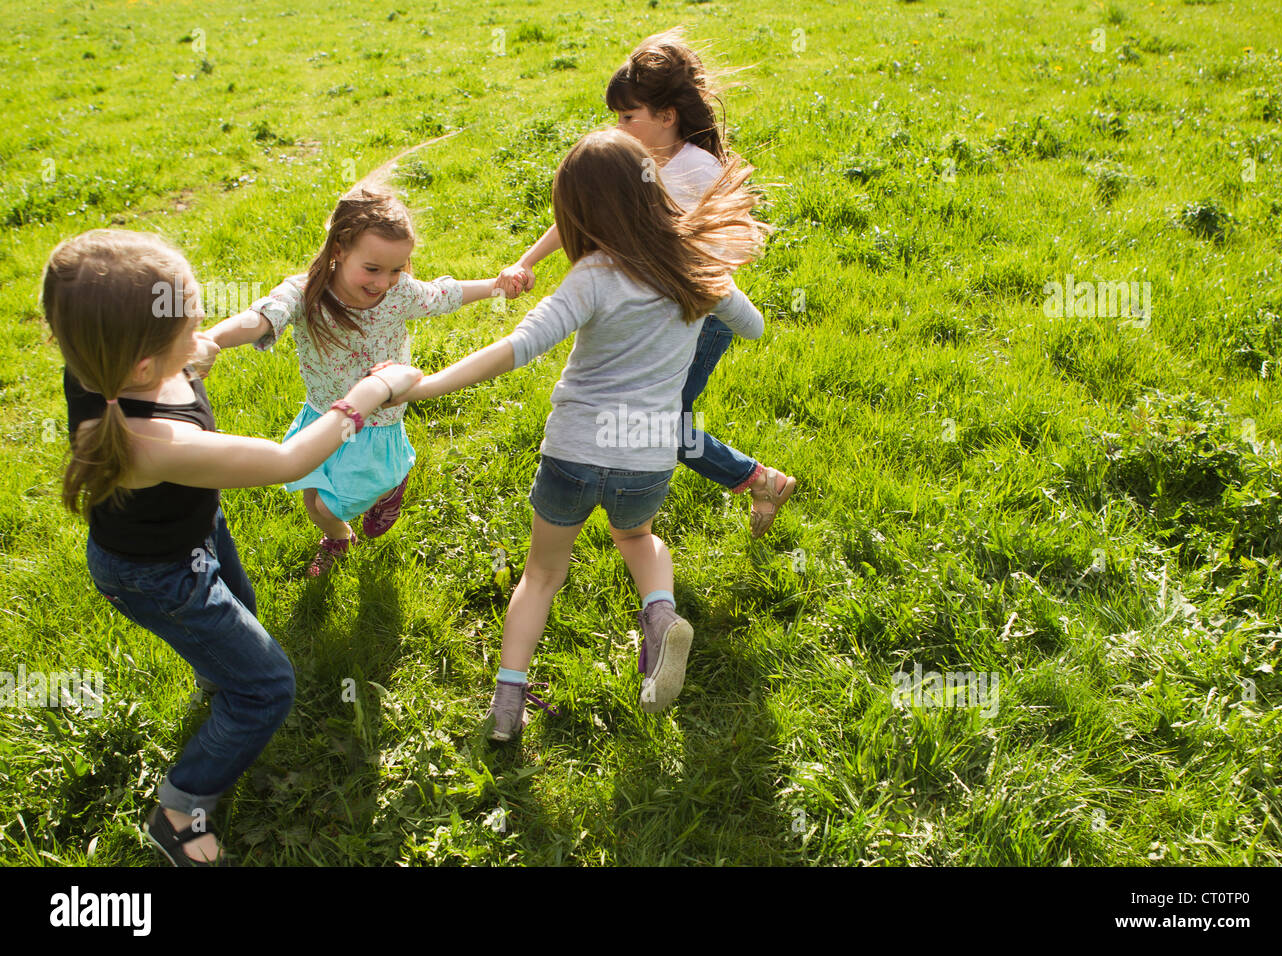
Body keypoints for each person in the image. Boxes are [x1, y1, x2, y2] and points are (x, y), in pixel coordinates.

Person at [45, 228, 422, 864]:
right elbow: (288, 460)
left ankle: (218, 680)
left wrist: (192, 353)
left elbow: (149, 334)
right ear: (142, 366)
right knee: (268, 686)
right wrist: (366, 395)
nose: (200, 337)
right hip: (157, 577)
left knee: (240, 611)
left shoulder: (102, 359)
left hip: (190, 535)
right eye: (185, 332)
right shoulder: (155, 442)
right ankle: (179, 808)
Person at [394, 128, 769, 740]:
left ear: (582, 213)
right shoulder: (696, 265)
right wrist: (713, 288)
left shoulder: (595, 275)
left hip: (571, 452)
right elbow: (750, 326)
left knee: (541, 574)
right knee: (638, 536)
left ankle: (507, 709)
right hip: (646, 458)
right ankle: (659, 613)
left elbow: (518, 348)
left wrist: (427, 385)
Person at [498, 29, 795, 537]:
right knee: (657, 423)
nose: (618, 126)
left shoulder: (694, 171)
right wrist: (527, 261)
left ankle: (757, 480)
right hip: (662, 310)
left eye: (627, 116)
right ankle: (753, 481)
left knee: (659, 426)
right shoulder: (639, 158)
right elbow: (585, 206)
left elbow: (689, 258)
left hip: (695, 316)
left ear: (667, 115)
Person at [200, 185, 518, 575]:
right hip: (322, 413)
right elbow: (262, 317)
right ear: (339, 250)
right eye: (373, 269)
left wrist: (497, 286)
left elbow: (442, 294)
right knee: (311, 496)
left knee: (326, 504)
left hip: (376, 421)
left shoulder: (398, 293)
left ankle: (388, 485)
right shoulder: (305, 293)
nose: (384, 282)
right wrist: (212, 338)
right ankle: (338, 537)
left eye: (397, 269)